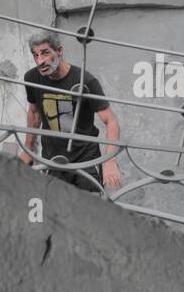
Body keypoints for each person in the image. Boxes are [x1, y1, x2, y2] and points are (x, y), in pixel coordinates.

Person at [19, 33, 123, 192]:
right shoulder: (32, 78)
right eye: (35, 55)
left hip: (85, 159)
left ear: (59, 51)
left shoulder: (85, 81)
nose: (40, 61)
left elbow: (111, 121)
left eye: (45, 53)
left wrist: (109, 161)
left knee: (89, 208)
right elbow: (34, 113)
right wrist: (28, 149)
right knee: (56, 209)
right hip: (53, 159)